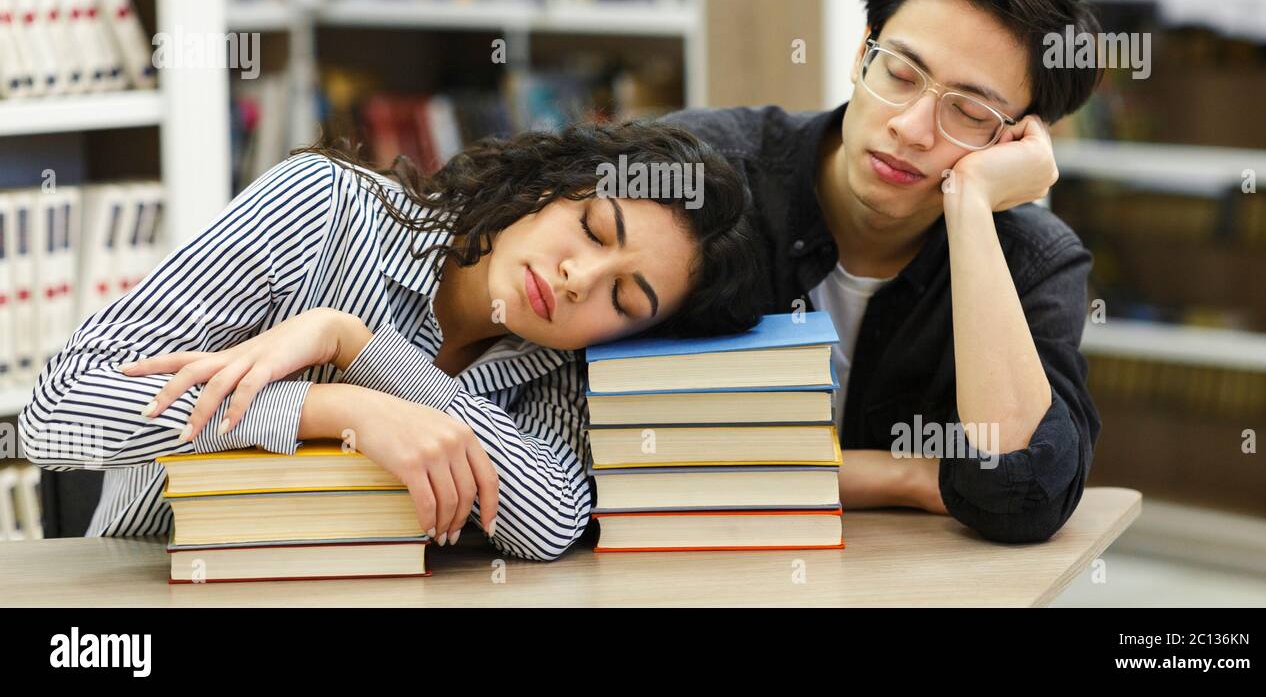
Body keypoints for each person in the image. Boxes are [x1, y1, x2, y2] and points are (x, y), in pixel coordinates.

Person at [19, 121, 764, 561]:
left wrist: (357, 344)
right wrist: (335, 409)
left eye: (623, 298)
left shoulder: (560, 366)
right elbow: (56, 415)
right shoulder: (321, 208)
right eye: (594, 229)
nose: (580, 280)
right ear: (553, 184)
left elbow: (549, 521)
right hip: (153, 589)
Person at [662, 0, 1104, 543]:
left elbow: (1024, 495)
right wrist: (904, 475)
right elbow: (620, 440)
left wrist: (971, 204)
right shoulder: (701, 175)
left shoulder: (1034, 261)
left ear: (1018, 139)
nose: (913, 128)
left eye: (971, 113)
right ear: (862, 52)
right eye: (900, 73)